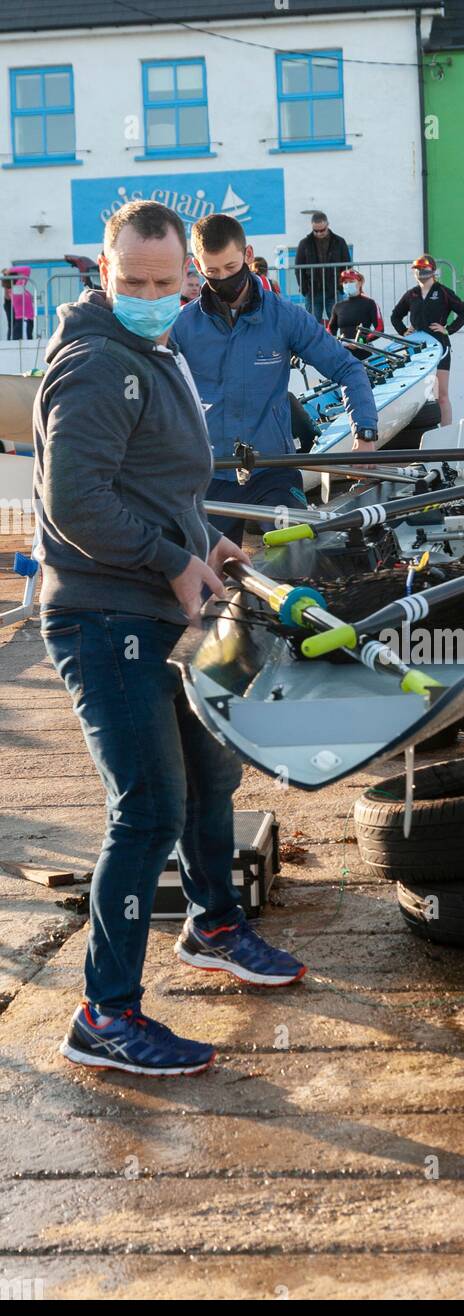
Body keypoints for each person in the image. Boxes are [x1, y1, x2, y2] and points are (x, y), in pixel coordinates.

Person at [34, 199, 309, 1078]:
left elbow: (161, 484)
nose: (151, 295)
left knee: (211, 770)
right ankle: (104, 1014)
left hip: (163, 600)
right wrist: (167, 558)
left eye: (165, 282)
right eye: (133, 283)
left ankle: (214, 923)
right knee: (146, 806)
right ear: (105, 275)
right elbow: (74, 503)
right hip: (104, 613)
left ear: (190, 275)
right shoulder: (93, 364)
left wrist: (205, 543)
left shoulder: (153, 351)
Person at [172, 212, 378, 545]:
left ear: (248, 256)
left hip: (273, 470)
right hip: (210, 474)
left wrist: (365, 434)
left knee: (296, 550)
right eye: (212, 272)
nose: (223, 279)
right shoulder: (182, 326)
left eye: (230, 268)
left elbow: (347, 368)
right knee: (199, 579)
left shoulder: (286, 317)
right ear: (197, 265)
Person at [391, 255, 464, 426]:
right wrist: (404, 331)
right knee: (423, 397)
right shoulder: (411, 294)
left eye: (424, 269)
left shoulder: (443, 292)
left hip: (440, 347)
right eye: (417, 269)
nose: (420, 272)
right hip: (418, 350)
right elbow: (395, 316)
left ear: (433, 271)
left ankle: (446, 434)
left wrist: (448, 329)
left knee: (441, 395)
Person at [293, 211, 351, 323]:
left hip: (334, 290)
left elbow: (347, 265)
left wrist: (342, 286)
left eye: (322, 230)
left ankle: (335, 341)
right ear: (312, 227)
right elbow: (298, 268)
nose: (319, 233)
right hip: (313, 291)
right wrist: (304, 289)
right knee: (313, 325)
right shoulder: (304, 243)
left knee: (337, 323)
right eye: (316, 231)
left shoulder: (339, 242)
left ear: (327, 225)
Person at [328, 268, 383, 341]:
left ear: (360, 283)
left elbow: (380, 328)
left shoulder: (370, 303)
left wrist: (363, 340)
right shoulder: (338, 306)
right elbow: (330, 329)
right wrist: (335, 342)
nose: (348, 284)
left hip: (363, 347)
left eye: (351, 281)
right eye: (345, 282)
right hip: (342, 348)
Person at [4, 265, 35, 339]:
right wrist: (10, 270)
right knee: (25, 344)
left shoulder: (14, 290)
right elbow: (27, 269)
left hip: (25, 320)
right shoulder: (17, 288)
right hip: (24, 320)